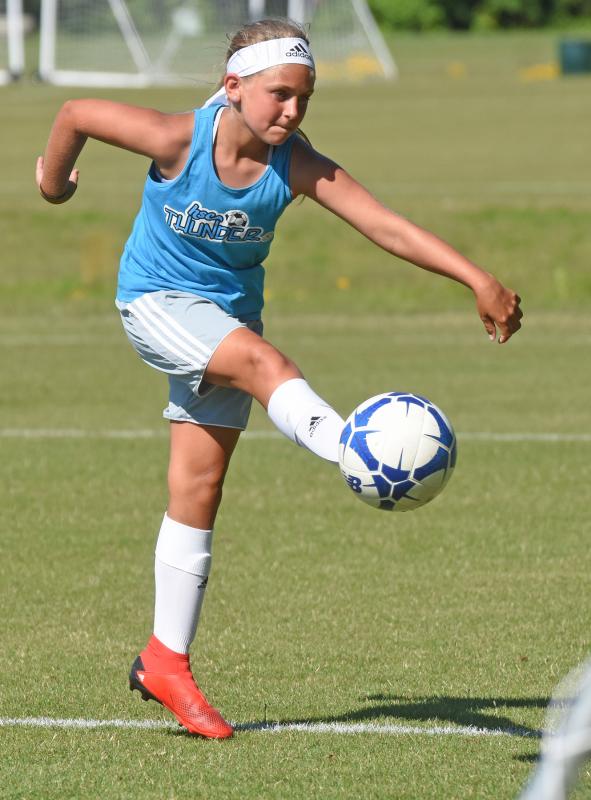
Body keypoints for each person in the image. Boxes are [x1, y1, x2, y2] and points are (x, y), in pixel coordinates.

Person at [36, 18, 523, 740]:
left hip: (226, 322)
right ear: (232, 88)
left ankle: (165, 660)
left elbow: (382, 225)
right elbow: (74, 114)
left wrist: (475, 277)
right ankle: (354, 449)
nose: (290, 112)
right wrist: (53, 182)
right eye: (278, 95)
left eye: (303, 98)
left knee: (198, 489)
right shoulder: (179, 139)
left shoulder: (292, 164)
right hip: (156, 305)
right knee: (269, 368)